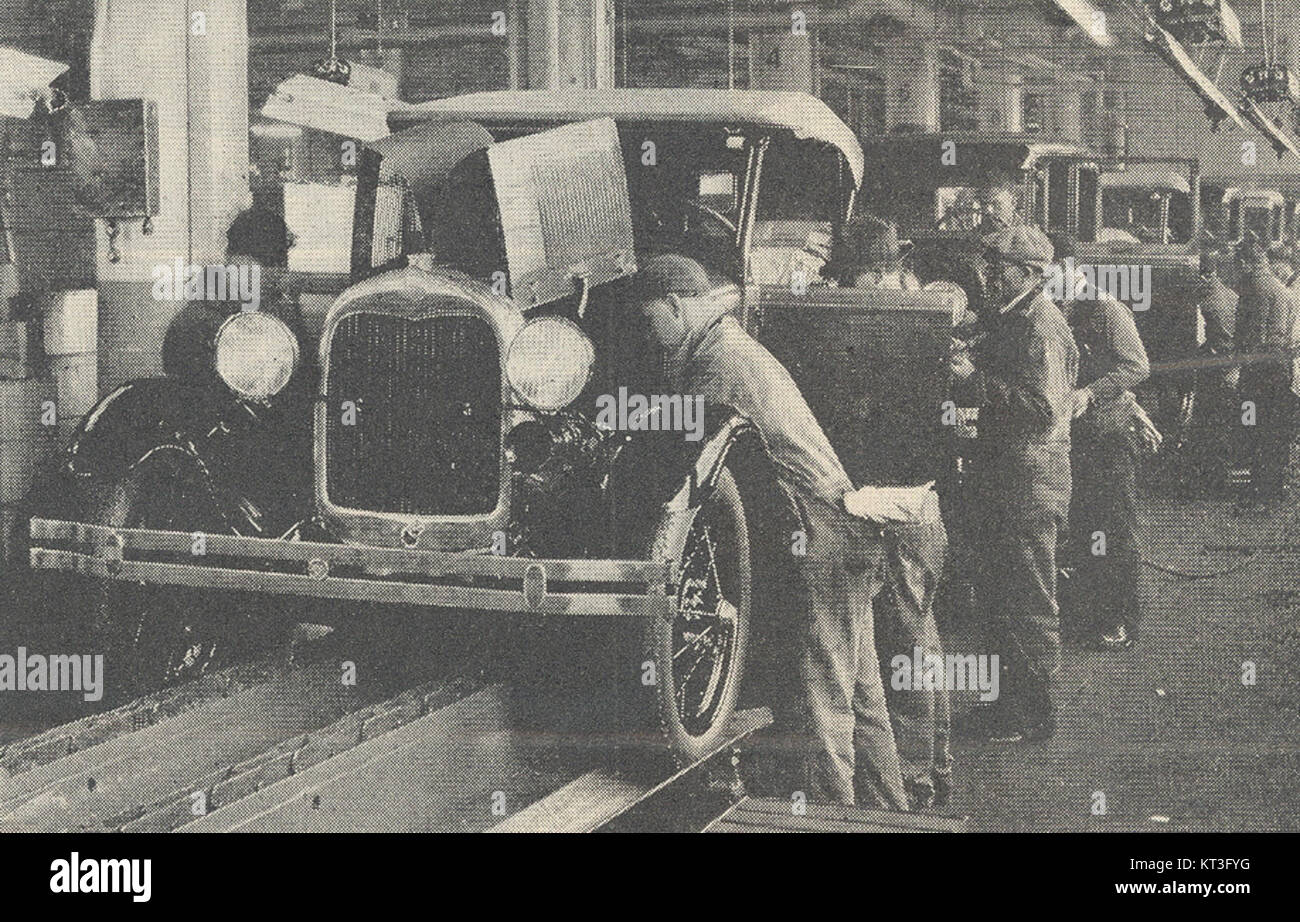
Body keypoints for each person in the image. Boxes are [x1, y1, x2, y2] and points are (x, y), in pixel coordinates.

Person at [632, 253, 908, 810]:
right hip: (850, 530)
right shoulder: (729, 344)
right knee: (861, 693)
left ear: (675, 307)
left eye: (651, 319)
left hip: (822, 537)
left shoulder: (716, 367)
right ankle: (893, 812)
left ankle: (836, 821)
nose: (650, 334)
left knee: (820, 704)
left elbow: (689, 477)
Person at [949, 226, 1078, 742]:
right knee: (1003, 601)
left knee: (1027, 603)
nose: (989, 275)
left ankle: (1032, 716)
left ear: (1027, 273)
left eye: (999, 267)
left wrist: (971, 380)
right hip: (1010, 481)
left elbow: (1043, 410)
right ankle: (1006, 708)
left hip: (1027, 484)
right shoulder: (1016, 319)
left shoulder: (1039, 328)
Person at [1050, 237, 1151, 651]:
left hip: (1110, 437)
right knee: (1088, 528)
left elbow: (1138, 366)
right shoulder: (1060, 310)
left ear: (1069, 267)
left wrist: (1091, 392)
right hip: (1081, 439)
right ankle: (1092, 614)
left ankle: (1120, 620)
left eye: (1048, 271)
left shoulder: (1107, 309)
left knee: (1114, 529)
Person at [1233, 238, 1300, 502]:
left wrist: (1238, 367)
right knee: (1273, 429)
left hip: (1259, 371)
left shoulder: (1257, 288)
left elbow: (1253, 334)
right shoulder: (1281, 289)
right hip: (1279, 368)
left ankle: (1257, 487)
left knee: (1253, 425)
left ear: (1245, 263)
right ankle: (1270, 485)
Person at [1187, 254, 1240, 492]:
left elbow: (1199, 341)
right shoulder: (1231, 294)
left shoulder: (1205, 303)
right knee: (1222, 424)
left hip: (1214, 367)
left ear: (1205, 276)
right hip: (1230, 365)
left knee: (1206, 425)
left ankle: (1207, 479)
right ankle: (1220, 477)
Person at [828, 215, 921, 291]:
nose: (893, 247)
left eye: (893, 242)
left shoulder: (904, 277)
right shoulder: (849, 276)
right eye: (885, 243)